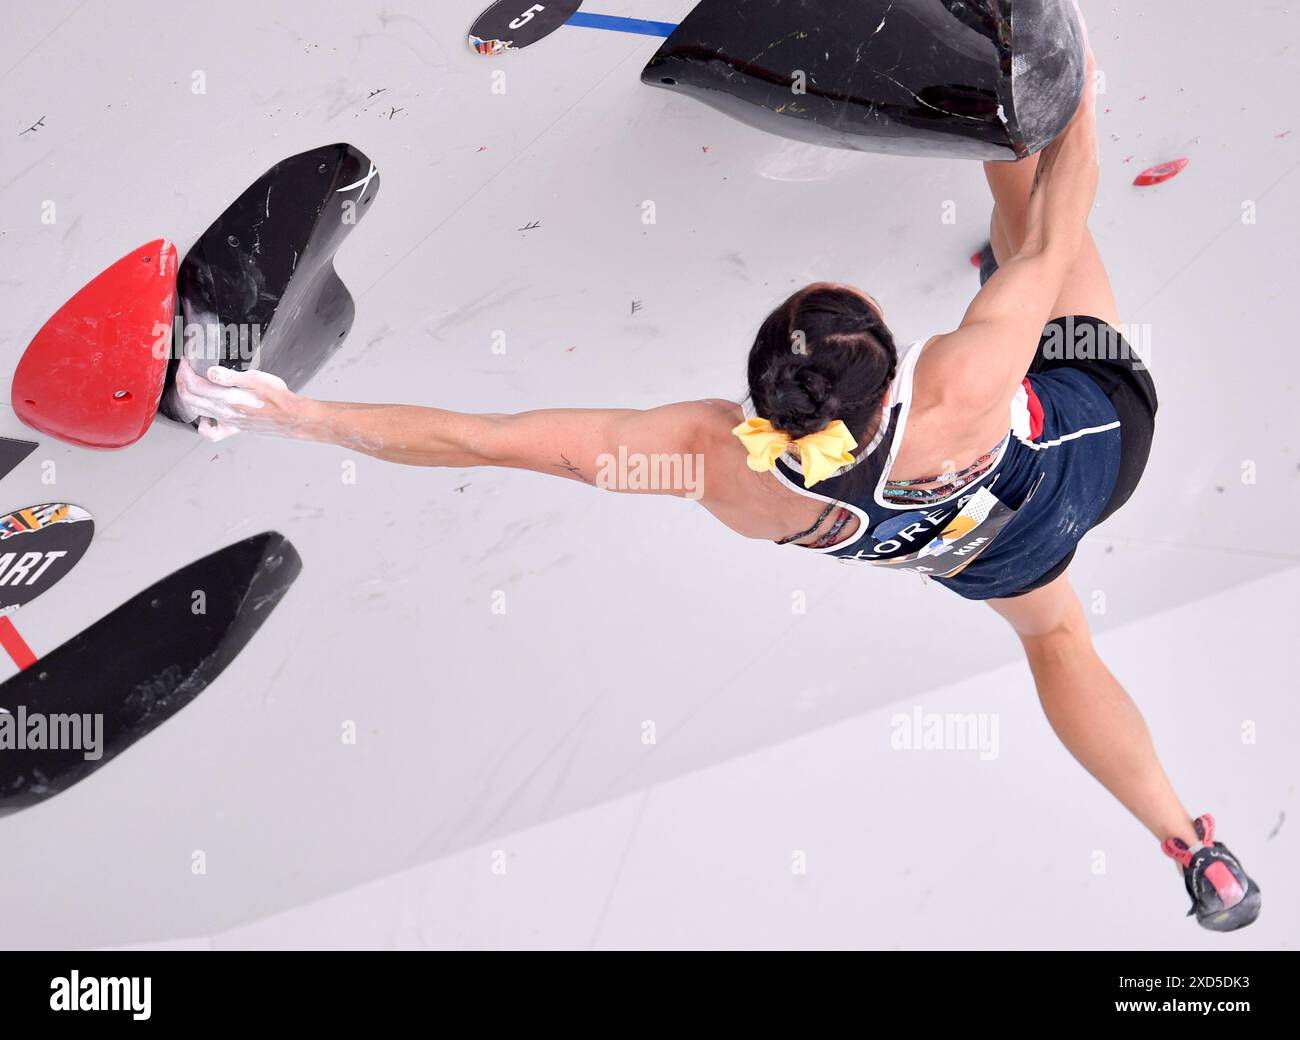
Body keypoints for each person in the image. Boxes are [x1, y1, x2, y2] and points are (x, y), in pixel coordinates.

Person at [171, 46, 1259, 932]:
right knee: (1026, 203)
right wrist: (1062, 74)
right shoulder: (962, 384)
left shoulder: (722, 468)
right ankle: (998, 111)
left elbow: (488, 440)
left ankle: (1189, 842)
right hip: (1092, 441)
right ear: (889, 381)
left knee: (1055, 642)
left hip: (993, 557)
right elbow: (1067, 202)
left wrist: (298, 414)